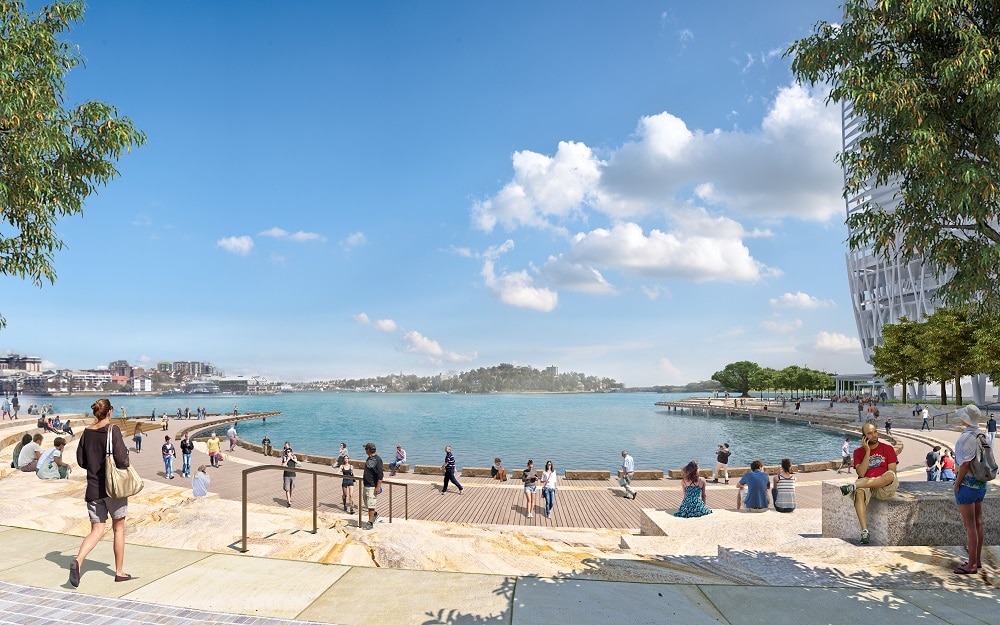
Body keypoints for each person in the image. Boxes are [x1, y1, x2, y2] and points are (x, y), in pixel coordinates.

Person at [71, 398, 131, 587]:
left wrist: (94, 464)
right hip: (113, 489)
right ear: (110, 411)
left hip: (93, 488)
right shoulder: (113, 430)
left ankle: (78, 561)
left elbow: (81, 461)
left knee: (96, 530)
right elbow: (122, 460)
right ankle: (119, 572)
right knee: (118, 528)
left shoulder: (87, 432)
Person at [839, 421, 899, 545]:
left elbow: (892, 472)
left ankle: (854, 486)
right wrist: (867, 452)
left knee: (890, 474)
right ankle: (865, 531)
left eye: (875, 432)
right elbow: (861, 472)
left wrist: (874, 482)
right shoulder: (858, 452)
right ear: (864, 437)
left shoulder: (888, 449)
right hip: (866, 485)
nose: (874, 435)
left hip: (884, 487)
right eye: (870, 433)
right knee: (859, 493)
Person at [953, 406, 988, 575]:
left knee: (970, 525)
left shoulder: (965, 438)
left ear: (966, 419)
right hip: (981, 485)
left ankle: (971, 565)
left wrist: (957, 483)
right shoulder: (982, 435)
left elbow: (964, 464)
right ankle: (977, 560)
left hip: (967, 485)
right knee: (978, 522)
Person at [361, 443, 383, 530]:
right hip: (366, 484)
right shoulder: (369, 458)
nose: (365, 450)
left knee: (371, 505)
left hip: (372, 486)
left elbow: (380, 475)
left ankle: (370, 523)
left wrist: (378, 487)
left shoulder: (378, 460)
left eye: (366, 449)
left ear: (369, 450)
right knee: (367, 503)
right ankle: (375, 515)